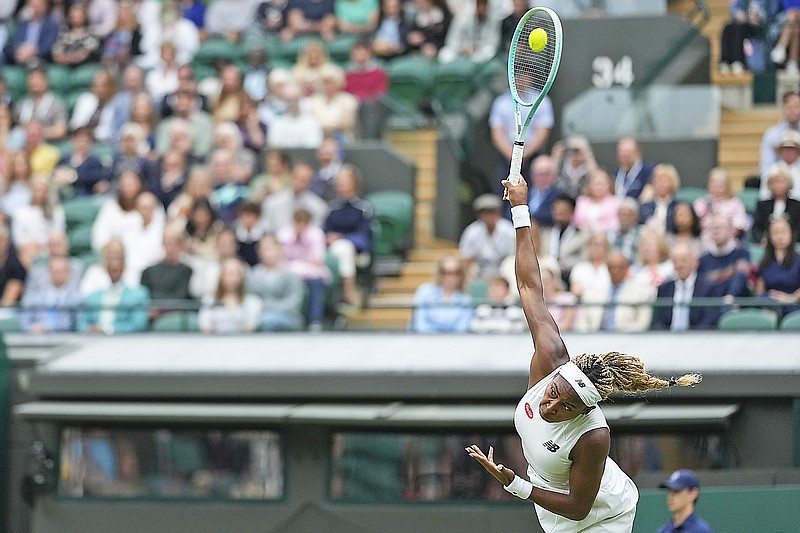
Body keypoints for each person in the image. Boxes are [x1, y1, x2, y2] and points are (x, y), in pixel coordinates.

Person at [466, 175, 700, 532]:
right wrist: (519, 208)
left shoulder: (594, 436)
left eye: (567, 408)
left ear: (585, 411)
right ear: (556, 376)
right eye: (555, 393)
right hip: (552, 505)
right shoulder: (549, 356)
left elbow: (578, 509)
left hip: (602, 513)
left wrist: (513, 483)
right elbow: (530, 286)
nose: (550, 406)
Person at [651, 243, 721, 331]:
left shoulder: (709, 288)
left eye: (683, 260)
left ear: (695, 263)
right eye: (675, 261)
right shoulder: (664, 289)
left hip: (698, 339)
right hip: (667, 339)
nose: (679, 265)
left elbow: (709, 320)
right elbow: (658, 321)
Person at [459, 193, 515, 281]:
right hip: (479, 276)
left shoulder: (508, 231)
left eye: (491, 212)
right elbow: (466, 259)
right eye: (484, 212)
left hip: (504, 276)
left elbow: (514, 257)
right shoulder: (472, 232)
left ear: (498, 213)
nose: (488, 216)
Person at [411, 254, 472, 333]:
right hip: (424, 341)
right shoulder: (424, 292)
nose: (451, 277)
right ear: (440, 273)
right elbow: (420, 324)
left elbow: (461, 330)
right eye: (446, 272)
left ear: (462, 275)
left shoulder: (466, 300)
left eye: (456, 272)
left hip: (454, 343)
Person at [755, 216, 800, 318]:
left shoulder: (798, 261)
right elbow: (759, 292)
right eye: (775, 232)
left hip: (794, 307)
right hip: (770, 307)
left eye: (783, 232)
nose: (780, 236)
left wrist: (790, 298)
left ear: (791, 234)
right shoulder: (764, 264)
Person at [752, 163, 800, 243]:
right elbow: (756, 229)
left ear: (789, 183)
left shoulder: (797, 206)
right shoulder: (762, 205)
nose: (778, 185)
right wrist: (762, 240)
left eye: (781, 182)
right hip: (766, 247)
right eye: (775, 182)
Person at [759, 90, 800, 177]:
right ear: (783, 109)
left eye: (796, 107)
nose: (792, 110)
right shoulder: (771, 135)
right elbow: (766, 166)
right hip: (778, 181)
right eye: (789, 107)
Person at [613, 137, 654, 201]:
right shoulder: (617, 173)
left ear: (638, 153)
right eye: (622, 152)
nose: (625, 156)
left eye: (628, 152)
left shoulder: (647, 170)